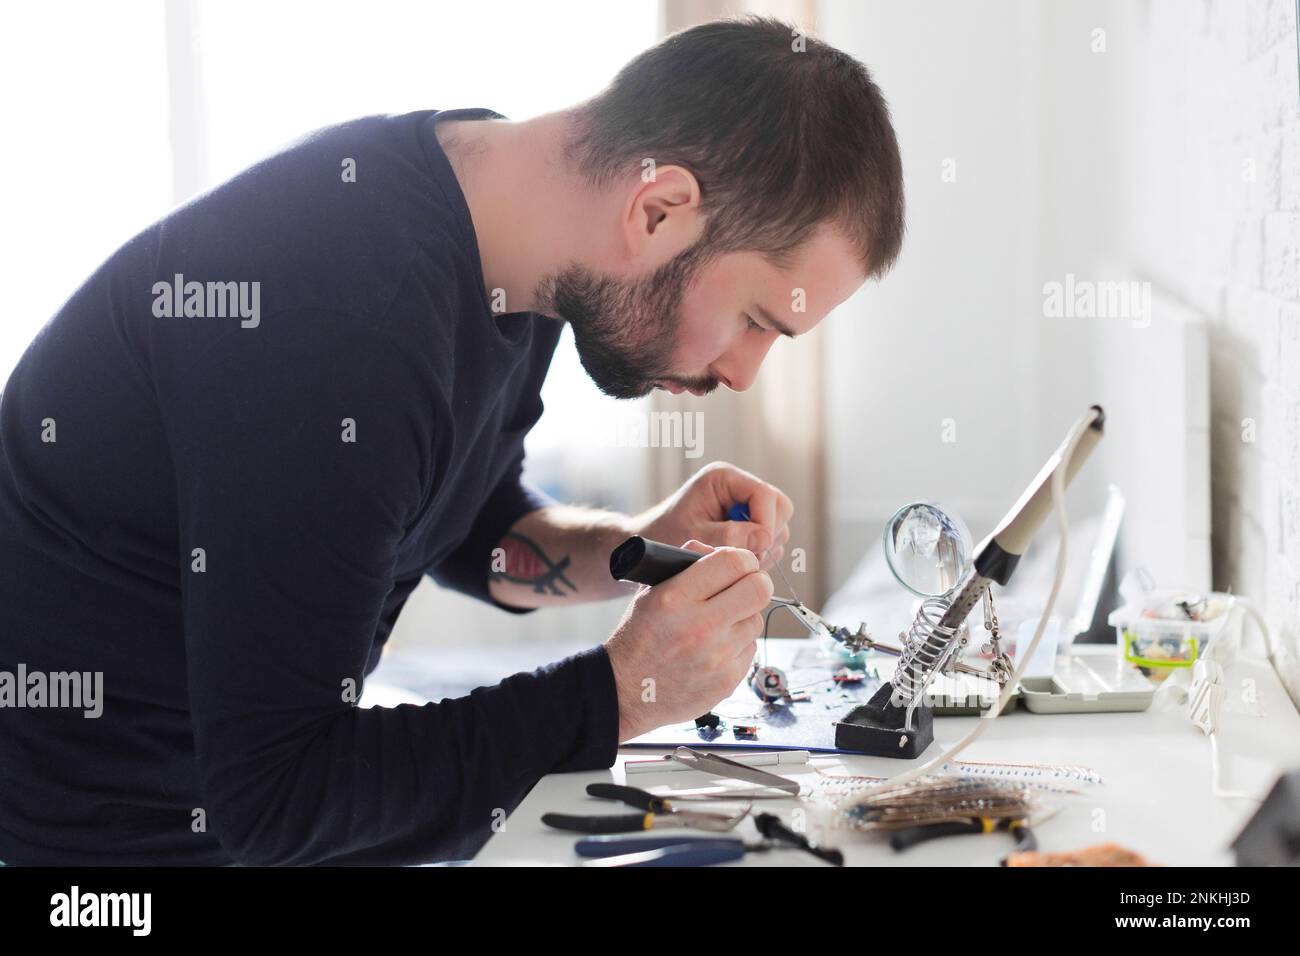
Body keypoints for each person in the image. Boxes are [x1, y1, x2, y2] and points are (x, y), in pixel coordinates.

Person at [0, 16, 903, 865]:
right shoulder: (340, 317)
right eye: (755, 320)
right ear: (660, 209)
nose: (744, 374)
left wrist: (634, 551)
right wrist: (625, 690)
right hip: (110, 844)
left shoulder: (521, 245)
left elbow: (462, 520)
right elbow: (276, 797)